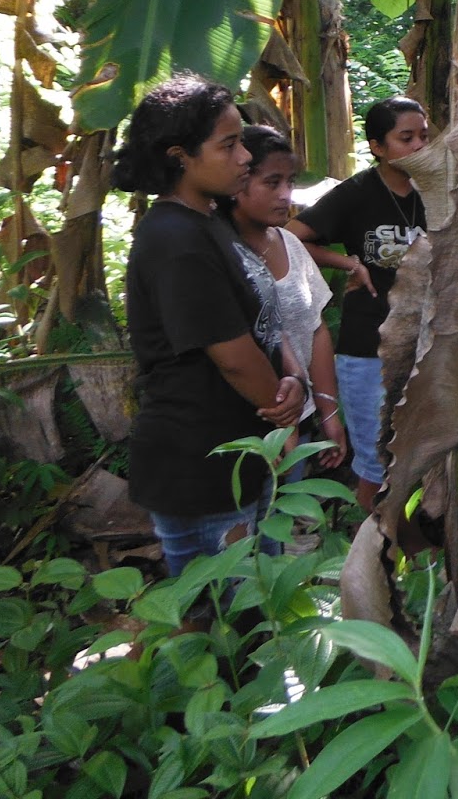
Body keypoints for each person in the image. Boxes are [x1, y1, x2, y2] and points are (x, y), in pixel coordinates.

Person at [112, 75, 304, 575]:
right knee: (224, 605)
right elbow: (233, 356)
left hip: (238, 452)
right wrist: (282, 410)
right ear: (180, 157)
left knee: (254, 597)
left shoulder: (209, 222)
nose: (245, 157)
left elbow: (257, 325)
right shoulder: (175, 239)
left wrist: (288, 381)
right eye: (229, 144)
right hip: (201, 462)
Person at [289, 97, 428, 511]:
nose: (419, 146)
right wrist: (348, 263)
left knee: (419, 454)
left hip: (426, 342)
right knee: (375, 459)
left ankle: (405, 536)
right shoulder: (357, 193)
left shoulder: (435, 191)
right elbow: (290, 237)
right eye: (406, 138)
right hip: (369, 345)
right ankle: (375, 539)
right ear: (377, 147)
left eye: (424, 137)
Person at [226, 125, 349, 481]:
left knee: (288, 509)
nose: (286, 195)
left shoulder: (289, 243)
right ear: (237, 181)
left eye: (290, 182)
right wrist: (282, 423)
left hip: (300, 416)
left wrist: (328, 412)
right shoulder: (218, 252)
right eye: (272, 182)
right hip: (243, 428)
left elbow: (316, 329)